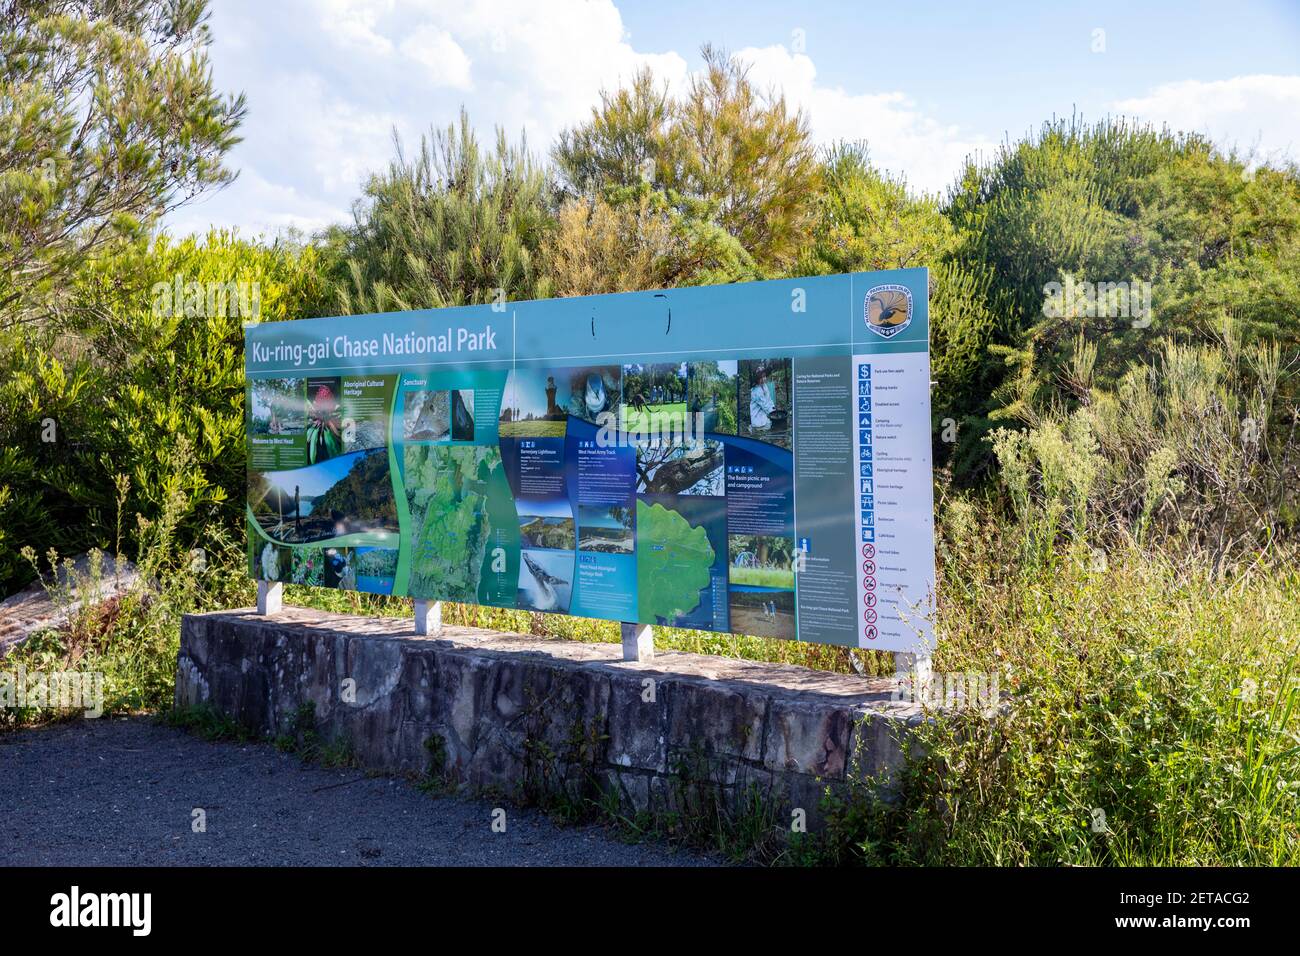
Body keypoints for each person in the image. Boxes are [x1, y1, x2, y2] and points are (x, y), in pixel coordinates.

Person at [749, 367, 775, 433]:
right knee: (770, 424)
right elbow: (765, 405)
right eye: (761, 377)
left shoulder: (765, 386)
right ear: (757, 379)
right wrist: (773, 414)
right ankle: (753, 428)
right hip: (758, 414)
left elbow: (769, 399)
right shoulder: (756, 390)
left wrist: (774, 409)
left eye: (764, 376)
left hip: (764, 411)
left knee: (773, 421)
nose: (763, 379)